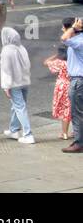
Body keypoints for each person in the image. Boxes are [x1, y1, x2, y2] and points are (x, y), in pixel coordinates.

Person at [0, 27, 34, 143]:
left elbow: (6, 71)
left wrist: (6, 86)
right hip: (24, 81)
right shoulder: (21, 48)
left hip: (14, 83)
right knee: (17, 106)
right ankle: (13, 129)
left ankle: (28, 134)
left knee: (19, 107)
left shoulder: (6, 50)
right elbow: (27, 65)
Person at [44, 34, 73, 141]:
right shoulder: (74, 61)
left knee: (65, 109)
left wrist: (55, 56)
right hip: (72, 84)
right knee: (73, 109)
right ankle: (75, 131)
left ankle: (64, 133)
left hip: (62, 86)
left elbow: (46, 62)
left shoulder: (60, 63)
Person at [61, 17, 83, 153]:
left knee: (77, 113)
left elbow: (63, 38)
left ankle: (79, 143)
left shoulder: (77, 41)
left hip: (78, 81)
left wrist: (74, 28)